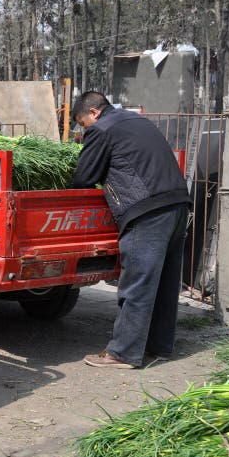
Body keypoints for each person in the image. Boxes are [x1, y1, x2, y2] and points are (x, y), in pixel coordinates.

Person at [71, 91, 191, 369]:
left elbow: (83, 177)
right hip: (177, 205)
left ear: (94, 113)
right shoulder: (137, 121)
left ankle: (122, 353)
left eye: (82, 123)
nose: (84, 130)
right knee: (163, 283)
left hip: (147, 211)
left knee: (137, 282)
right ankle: (159, 347)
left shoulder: (101, 129)